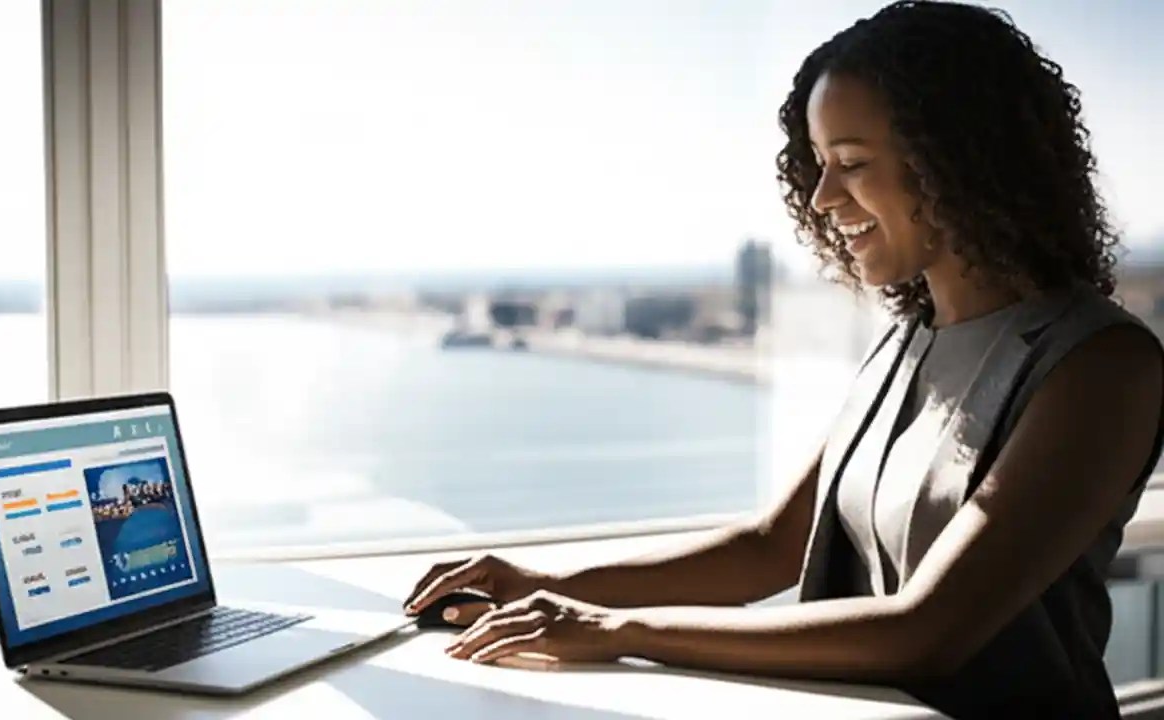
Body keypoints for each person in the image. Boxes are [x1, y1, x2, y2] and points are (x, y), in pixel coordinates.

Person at [403, 2, 1164, 716]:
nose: (823, 196)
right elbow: (771, 547)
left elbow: (927, 630)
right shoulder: (909, 340)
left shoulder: (1103, 367)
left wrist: (619, 630)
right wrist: (545, 584)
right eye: (819, 163)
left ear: (961, 163)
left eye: (852, 162)